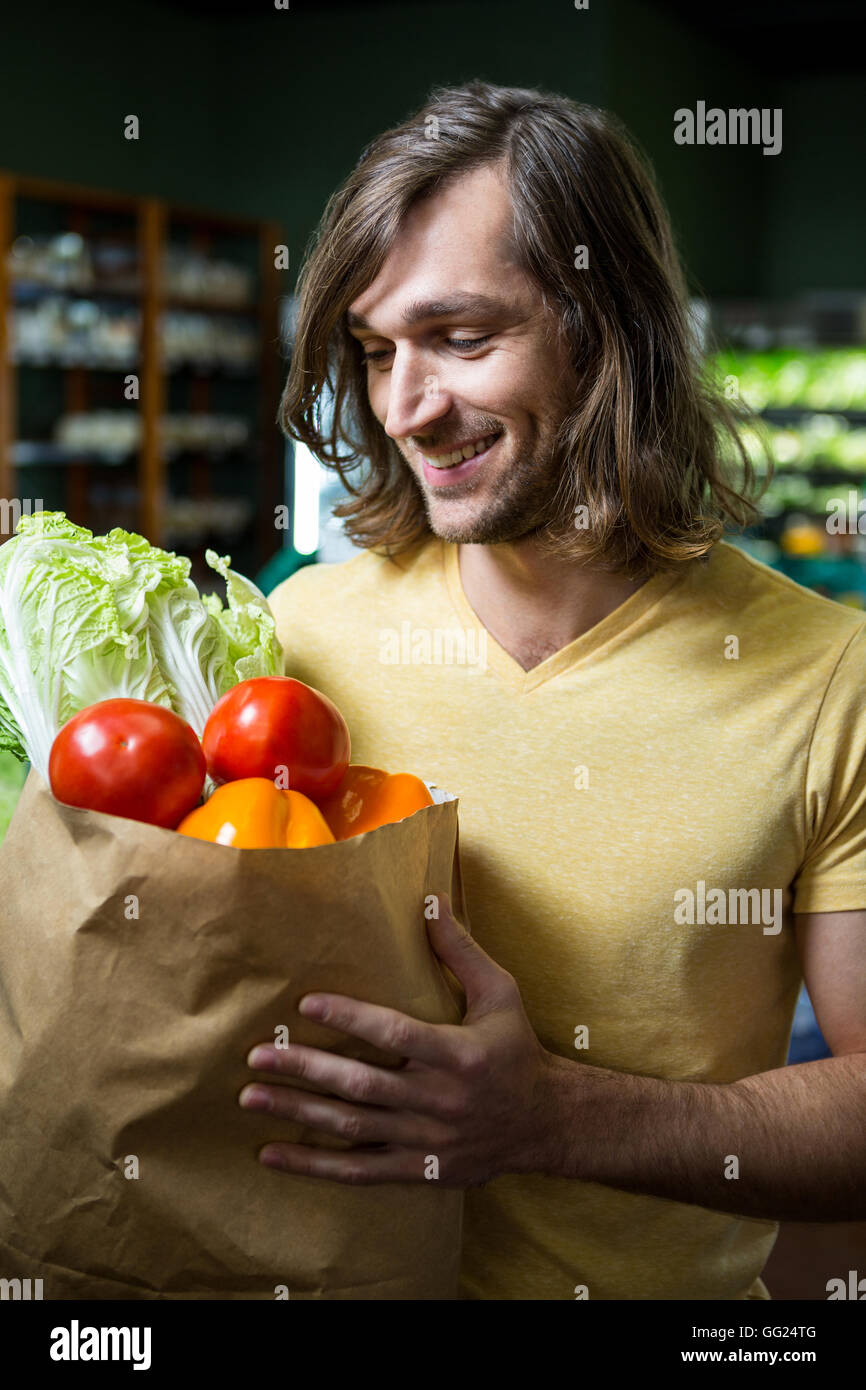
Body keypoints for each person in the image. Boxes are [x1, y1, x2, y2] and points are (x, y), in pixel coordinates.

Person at [238, 81, 866, 1300]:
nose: (405, 408)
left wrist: (551, 1120)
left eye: (461, 338)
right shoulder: (294, 640)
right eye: (375, 354)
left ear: (607, 325)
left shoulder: (825, 677)